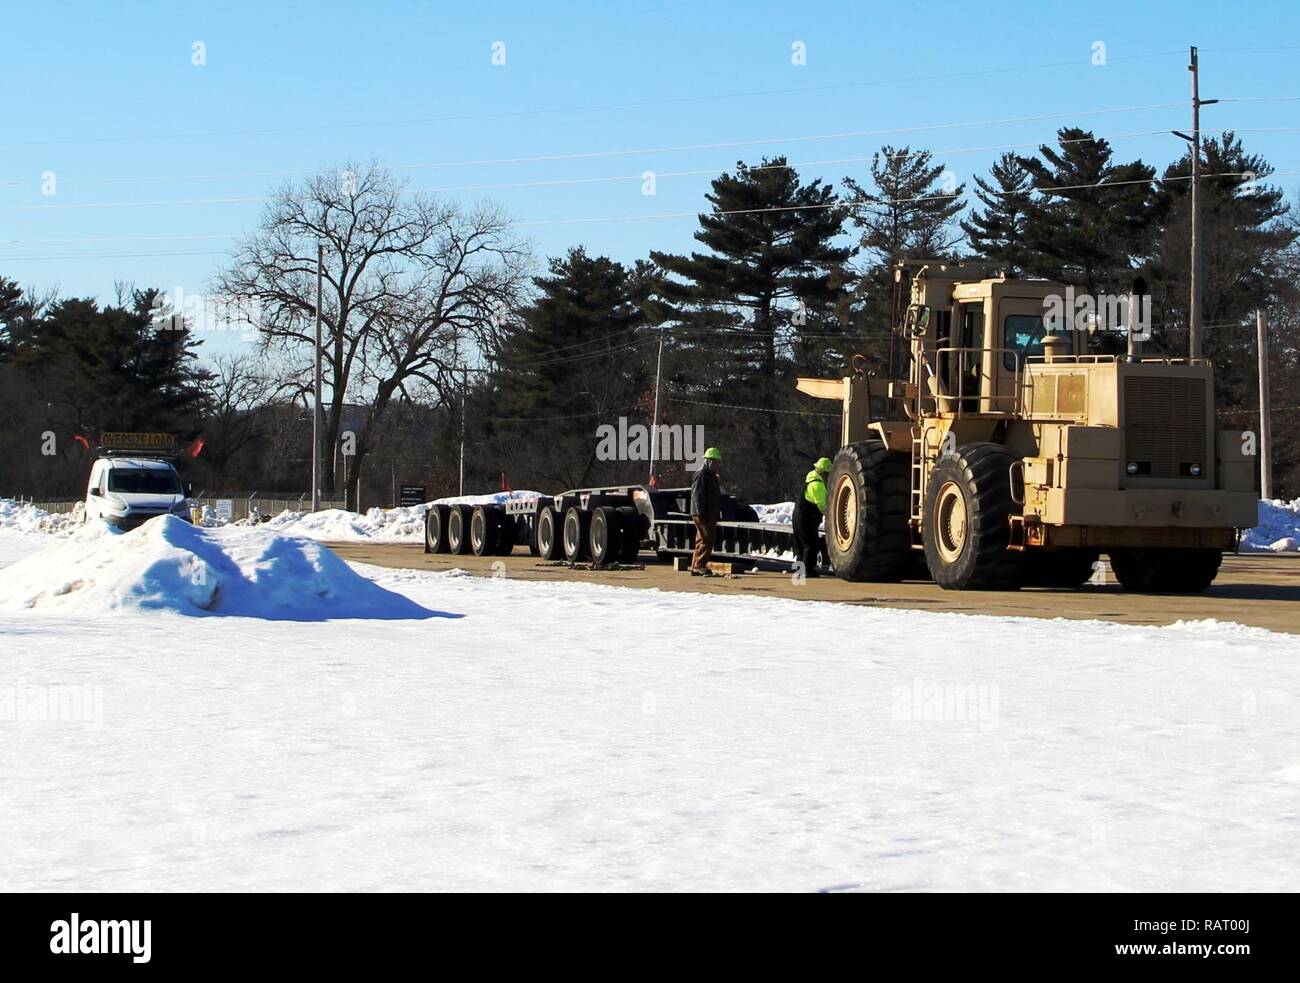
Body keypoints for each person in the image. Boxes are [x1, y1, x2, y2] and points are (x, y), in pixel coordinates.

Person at [792, 456, 832, 577]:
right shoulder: (817, 485)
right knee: (811, 545)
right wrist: (831, 517)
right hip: (806, 519)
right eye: (828, 474)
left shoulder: (809, 481)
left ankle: (799, 571)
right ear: (823, 472)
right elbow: (822, 505)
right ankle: (808, 571)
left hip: (798, 517)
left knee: (801, 545)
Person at [689, 447, 723, 576]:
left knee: (702, 539)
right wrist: (701, 513)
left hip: (708, 513)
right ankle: (700, 566)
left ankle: (695, 566)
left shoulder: (712, 475)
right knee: (707, 539)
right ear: (709, 461)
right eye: (716, 462)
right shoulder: (701, 474)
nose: (718, 465)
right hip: (703, 513)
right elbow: (697, 495)